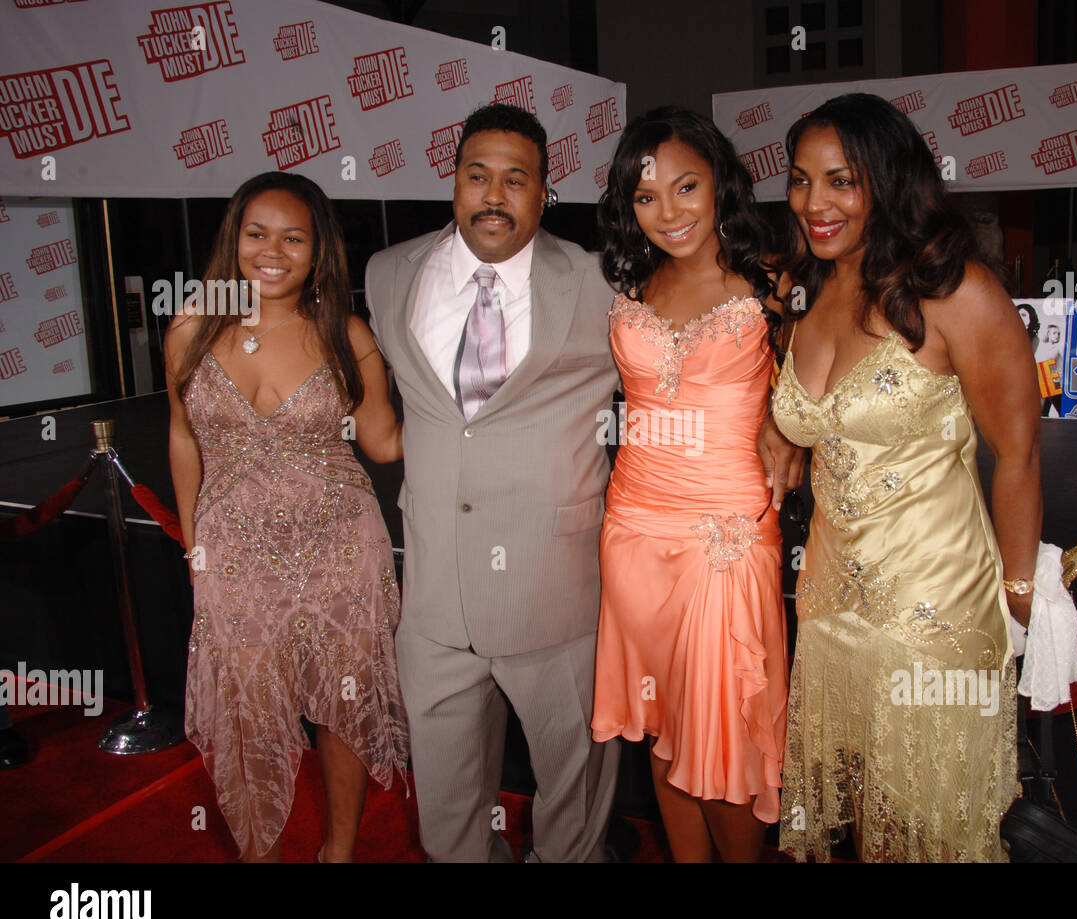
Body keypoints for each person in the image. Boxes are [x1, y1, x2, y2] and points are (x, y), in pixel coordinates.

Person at [364, 103, 803, 863]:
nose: (493, 195)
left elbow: (826, 343)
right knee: (649, 737)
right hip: (463, 589)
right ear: (453, 182)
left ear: (545, 194)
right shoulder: (386, 275)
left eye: (516, 179)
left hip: (604, 573)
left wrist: (790, 423)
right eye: (477, 175)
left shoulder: (602, 282)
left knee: (677, 757)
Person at [770, 93, 1041, 862]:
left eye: (840, 181)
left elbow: (1017, 454)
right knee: (866, 827)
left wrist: (1022, 604)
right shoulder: (812, 288)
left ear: (888, 182)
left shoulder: (960, 293)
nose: (813, 202)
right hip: (828, 610)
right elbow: (805, 417)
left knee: (936, 831)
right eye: (799, 179)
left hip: (935, 618)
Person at [165, 171, 408, 862]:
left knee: (344, 703)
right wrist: (193, 542)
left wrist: (468, 412)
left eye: (293, 237)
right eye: (257, 233)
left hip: (340, 547)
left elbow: (384, 441)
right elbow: (183, 435)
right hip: (233, 554)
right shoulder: (192, 324)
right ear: (234, 239)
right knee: (246, 712)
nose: (273, 250)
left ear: (317, 248)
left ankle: (339, 850)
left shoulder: (344, 331)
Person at [590, 107, 796, 862]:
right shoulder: (630, 280)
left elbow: (825, 386)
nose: (669, 213)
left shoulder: (775, 283)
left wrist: (791, 431)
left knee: (726, 725)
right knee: (664, 719)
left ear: (721, 186)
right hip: (635, 525)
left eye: (686, 188)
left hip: (727, 533)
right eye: (647, 196)